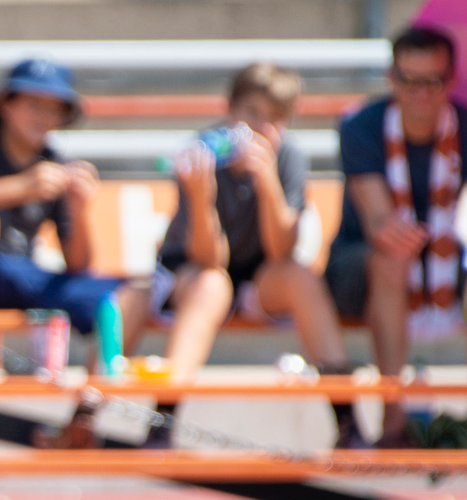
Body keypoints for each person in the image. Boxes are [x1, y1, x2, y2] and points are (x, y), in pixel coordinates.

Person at [127, 62, 354, 447]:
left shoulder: (288, 157)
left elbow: (282, 250)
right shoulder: (202, 153)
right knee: (212, 287)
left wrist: (267, 181)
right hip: (197, 272)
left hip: (259, 275)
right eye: (252, 113)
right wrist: (202, 198)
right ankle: (162, 423)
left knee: (301, 279)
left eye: (274, 118)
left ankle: (348, 420)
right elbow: (207, 258)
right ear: (230, 110)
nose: (260, 128)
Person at [0, 58, 142, 376]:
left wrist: (79, 208)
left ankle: (92, 400)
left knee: (130, 293)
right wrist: (21, 187)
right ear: (6, 104)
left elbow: (79, 265)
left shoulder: (57, 163)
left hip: (14, 275)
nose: (44, 116)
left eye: (54, 108)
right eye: (34, 104)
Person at [326, 27, 467, 447]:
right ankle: (394, 419)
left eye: (431, 82)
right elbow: (379, 222)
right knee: (393, 255)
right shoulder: (361, 126)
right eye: (409, 81)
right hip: (357, 266)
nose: (420, 94)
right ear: (392, 79)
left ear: (450, 80)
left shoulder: (462, 124)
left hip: (443, 263)